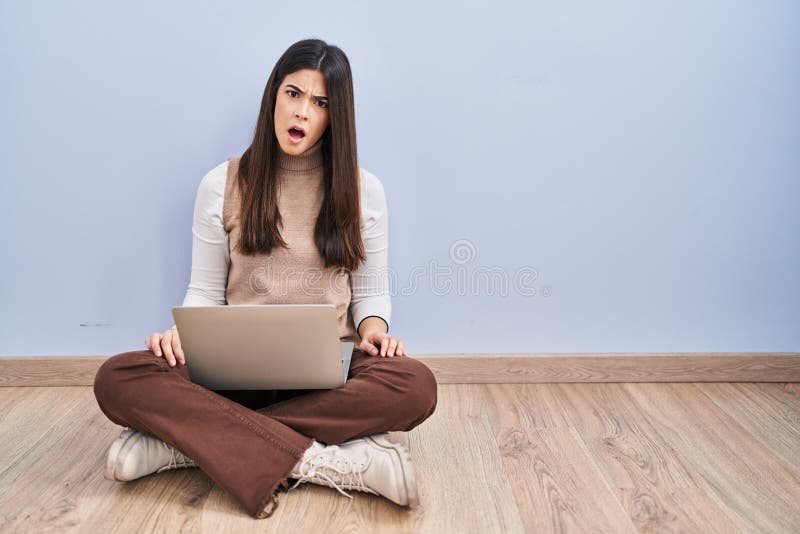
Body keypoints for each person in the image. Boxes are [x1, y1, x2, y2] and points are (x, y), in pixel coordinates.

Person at [92, 38, 438, 520]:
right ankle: (330, 462)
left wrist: (375, 333)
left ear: (335, 116)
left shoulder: (364, 191)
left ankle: (185, 448)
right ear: (273, 94)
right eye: (293, 93)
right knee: (118, 378)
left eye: (320, 103)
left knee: (415, 385)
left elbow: (371, 293)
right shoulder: (223, 183)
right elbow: (206, 293)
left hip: (330, 375)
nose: (302, 113)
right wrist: (182, 333)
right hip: (231, 374)